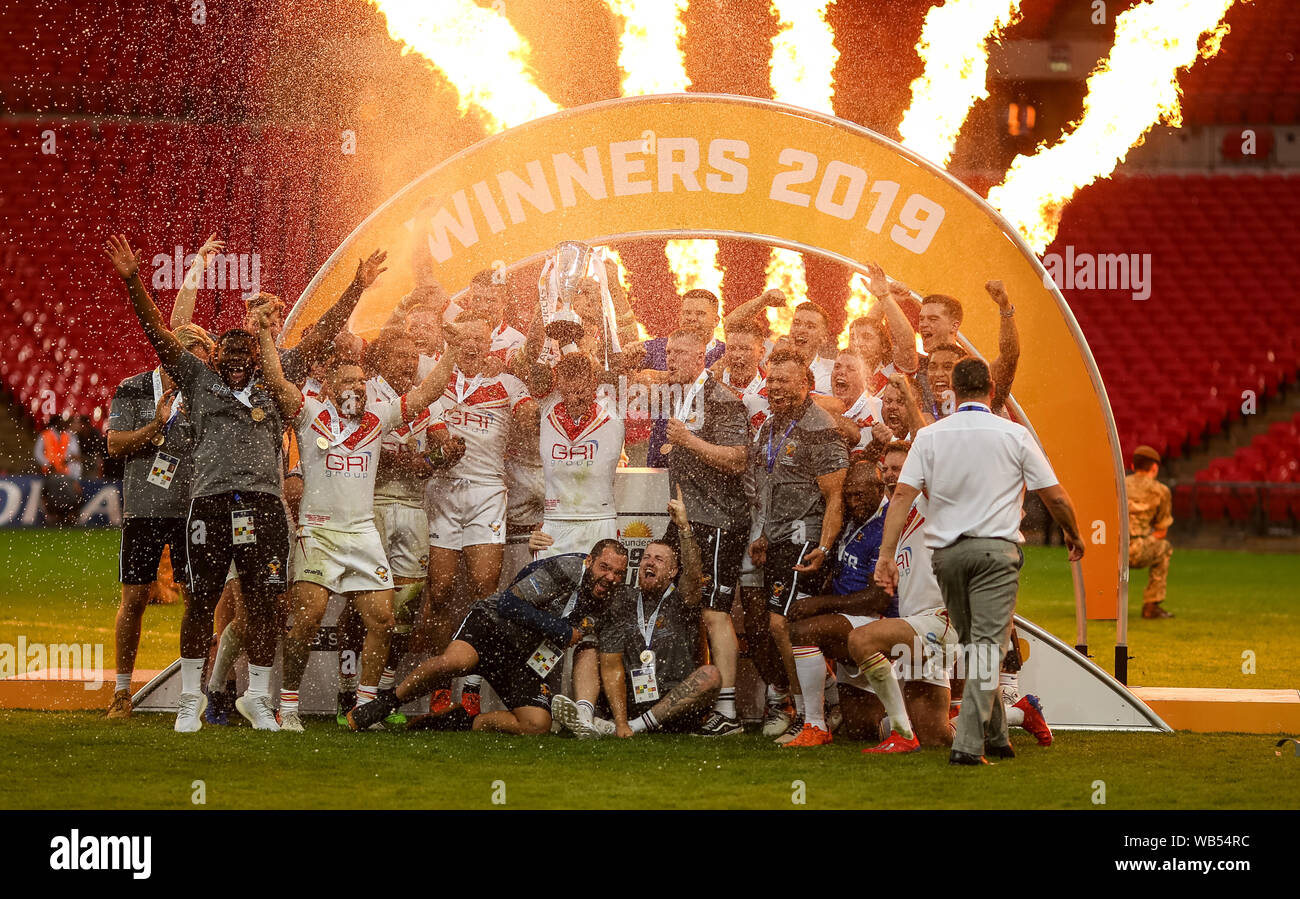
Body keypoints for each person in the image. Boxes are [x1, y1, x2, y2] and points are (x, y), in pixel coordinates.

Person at [104, 234, 304, 732]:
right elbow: (161, 330)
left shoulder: (267, 382)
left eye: (244, 349)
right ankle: (185, 697)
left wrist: (356, 288)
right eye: (224, 350)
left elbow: (315, 340)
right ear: (207, 359)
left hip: (256, 502)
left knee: (257, 601)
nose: (233, 357)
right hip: (198, 504)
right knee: (199, 598)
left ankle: (249, 695)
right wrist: (135, 281)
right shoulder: (189, 380)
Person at [252, 308, 457, 732]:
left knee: (382, 620)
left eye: (362, 382)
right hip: (319, 530)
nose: (357, 388)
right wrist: (263, 335)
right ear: (329, 387)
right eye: (348, 382)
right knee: (307, 619)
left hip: (363, 531)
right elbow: (275, 381)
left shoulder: (378, 417)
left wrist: (452, 351)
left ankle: (364, 708)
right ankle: (287, 706)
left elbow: (427, 394)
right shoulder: (310, 413)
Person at [874, 358, 1083, 765]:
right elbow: (1054, 496)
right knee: (986, 648)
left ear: (953, 387)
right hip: (994, 554)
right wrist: (1073, 533)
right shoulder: (1014, 435)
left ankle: (998, 734)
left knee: (974, 647)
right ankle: (968, 745)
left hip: (946, 558)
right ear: (990, 386)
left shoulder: (931, 436)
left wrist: (885, 555)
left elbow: (900, 497)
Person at [347, 540, 630, 735]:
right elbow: (509, 604)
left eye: (619, 572)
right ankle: (386, 703)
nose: (611, 578)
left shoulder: (612, 598)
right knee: (454, 662)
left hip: (525, 655)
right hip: (494, 625)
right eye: (604, 567)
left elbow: (601, 654)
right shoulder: (567, 568)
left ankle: (464, 721)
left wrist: (620, 723)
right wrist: (561, 630)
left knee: (537, 726)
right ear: (590, 561)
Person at [104, 325, 215, 718]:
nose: (198, 370)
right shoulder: (133, 387)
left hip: (192, 510)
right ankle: (121, 692)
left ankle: (196, 692)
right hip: (144, 509)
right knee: (133, 600)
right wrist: (155, 428)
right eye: (192, 362)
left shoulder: (203, 390)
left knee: (198, 602)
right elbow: (114, 445)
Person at [416, 313, 538, 660]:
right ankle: (438, 682)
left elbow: (529, 417)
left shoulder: (509, 383)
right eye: (464, 338)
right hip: (444, 488)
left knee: (484, 591)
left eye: (478, 339)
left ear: (489, 345)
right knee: (439, 592)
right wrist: (443, 448)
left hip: (487, 492)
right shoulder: (437, 379)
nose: (471, 344)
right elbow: (436, 433)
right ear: (453, 342)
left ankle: (470, 684)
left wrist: (529, 418)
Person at [556, 489, 721, 738]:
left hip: (672, 701)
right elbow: (592, 576)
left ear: (673, 571)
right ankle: (585, 717)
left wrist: (685, 529)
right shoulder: (623, 596)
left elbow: (694, 576)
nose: (649, 562)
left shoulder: (682, 600)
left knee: (711, 675)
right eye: (645, 557)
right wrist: (542, 545)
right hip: (629, 698)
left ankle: (635, 727)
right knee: (587, 645)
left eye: (658, 560)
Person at [747, 349, 849, 742]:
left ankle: (811, 715)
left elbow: (835, 496)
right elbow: (767, 487)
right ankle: (824, 705)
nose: (775, 388)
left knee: (782, 624)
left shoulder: (819, 427)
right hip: (775, 539)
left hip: (804, 540)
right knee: (774, 625)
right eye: (771, 381)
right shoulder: (770, 426)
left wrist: (823, 547)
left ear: (806, 384)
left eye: (785, 381)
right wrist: (760, 533)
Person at [659, 328, 750, 736]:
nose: (671, 359)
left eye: (680, 353)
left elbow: (737, 460)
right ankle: (689, 697)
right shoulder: (680, 394)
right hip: (688, 517)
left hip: (717, 520)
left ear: (700, 358)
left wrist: (687, 441)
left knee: (715, 611)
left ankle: (728, 712)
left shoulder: (722, 398)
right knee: (685, 605)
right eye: (669, 352)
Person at [783, 461, 895, 746]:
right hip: (850, 620)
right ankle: (902, 718)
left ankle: (814, 724)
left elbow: (878, 598)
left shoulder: (887, 525)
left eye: (860, 495)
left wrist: (821, 604)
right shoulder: (854, 519)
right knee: (861, 731)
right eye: (849, 495)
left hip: (877, 622)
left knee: (804, 631)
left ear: (878, 489)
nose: (853, 502)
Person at [1127, 445, 1174, 619]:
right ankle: (1151, 605)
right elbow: (1161, 531)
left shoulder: (1117, 485)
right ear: (1155, 467)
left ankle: (1106, 606)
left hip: (1110, 549)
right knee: (1165, 548)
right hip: (1138, 549)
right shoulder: (1161, 491)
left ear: (1132, 466)